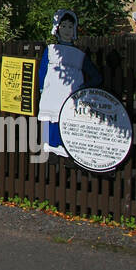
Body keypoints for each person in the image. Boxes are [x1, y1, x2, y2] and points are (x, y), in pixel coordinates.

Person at [36, 9, 103, 158]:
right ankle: (49, 146)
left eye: (70, 27)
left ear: (74, 29)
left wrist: (82, 89)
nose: (66, 30)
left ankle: (65, 147)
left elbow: (95, 76)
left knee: (66, 119)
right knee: (50, 118)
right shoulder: (51, 50)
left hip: (70, 94)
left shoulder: (79, 54)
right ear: (57, 28)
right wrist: (42, 88)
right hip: (52, 92)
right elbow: (42, 71)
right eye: (64, 26)